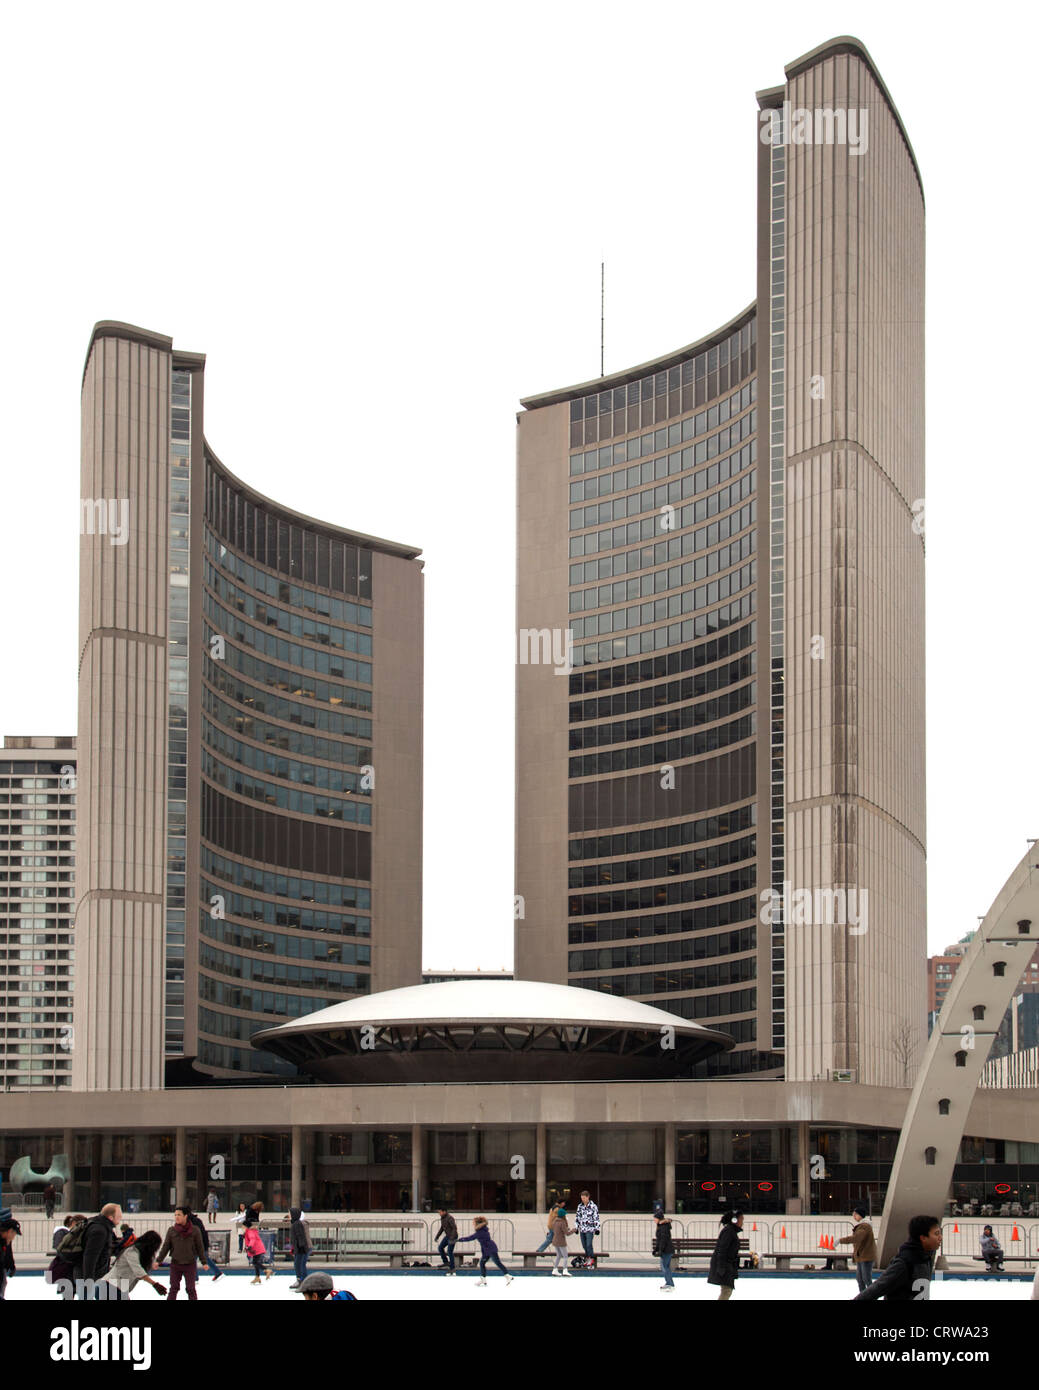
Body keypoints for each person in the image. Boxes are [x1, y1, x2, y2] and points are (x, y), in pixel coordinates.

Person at [854, 1215, 942, 1301]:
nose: (940, 1238)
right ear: (923, 1238)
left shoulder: (926, 1257)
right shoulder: (904, 1263)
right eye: (936, 1234)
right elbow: (877, 1288)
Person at [157, 1206, 206, 1301]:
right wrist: (158, 1260)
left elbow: (200, 1247)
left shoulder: (195, 1230)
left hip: (190, 1264)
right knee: (174, 1288)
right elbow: (166, 1246)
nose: (176, 1217)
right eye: (175, 1215)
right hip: (175, 1264)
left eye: (179, 1214)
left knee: (191, 1289)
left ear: (185, 1216)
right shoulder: (172, 1230)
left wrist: (204, 1262)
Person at [103, 1230, 166, 1300]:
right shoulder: (132, 1251)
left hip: (117, 1288)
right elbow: (138, 1271)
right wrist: (155, 1284)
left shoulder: (140, 1255)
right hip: (108, 1286)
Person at [76, 1203, 122, 1300]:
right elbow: (89, 1257)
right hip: (91, 1276)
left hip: (95, 1275)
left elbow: (107, 1248)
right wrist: (88, 1282)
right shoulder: (99, 1230)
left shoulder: (100, 1225)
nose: (121, 1217)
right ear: (110, 1217)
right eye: (119, 1215)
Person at [453, 1217, 513, 1286]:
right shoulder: (482, 1230)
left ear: (478, 1223)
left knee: (497, 1263)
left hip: (490, 1249)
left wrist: (458, 1240)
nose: (473, 1224)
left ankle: (508, 1276)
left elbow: (470, 1238)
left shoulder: (480, 1232)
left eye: (474, 1223)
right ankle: (483, 1280)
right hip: (486, 1250)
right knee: (482, 1263)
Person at [837, 1208, 878, 1291]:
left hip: (866, 1256)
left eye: (855, 1214)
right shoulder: (862, 1226)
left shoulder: (865, 1226)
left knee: (866, 1279)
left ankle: (871, 1295)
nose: (853, 1216)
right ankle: (863, 1296)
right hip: (861, 1256)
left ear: (860, 1215)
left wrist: (840, 1240)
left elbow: (856, 1238)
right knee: (860, 1279)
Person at [708, 1209, 743, 1300]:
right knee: (727, 1290)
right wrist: (721, 1267)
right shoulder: (729, 1231)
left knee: (727, 1290)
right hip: (724, 1265)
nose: (742, 1222)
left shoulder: (731, 1231)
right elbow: (722, 1250)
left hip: (727, 1265)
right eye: (741, 1219)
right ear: (734, 1220)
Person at [49, 1215, 87, 1299]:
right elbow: (61, 1250)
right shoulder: (62, 1232)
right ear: (74, 1223)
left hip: (72, 1269)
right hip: (66, 1270)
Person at [185, 1206, 223, 1281]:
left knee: (194, 1260)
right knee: (204, 1259)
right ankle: (217, 1272)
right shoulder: (196, 1220)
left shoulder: (191, 1222)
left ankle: (195, 1278)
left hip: (198, 1244)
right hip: (201, 1243)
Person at [288, 1206, 313, 1289]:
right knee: (298, 1264)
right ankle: (301, 1280)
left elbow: (300, 1236)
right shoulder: (295, 1223)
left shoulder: (297, 1224)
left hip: (302, 1248)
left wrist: (301, 1248)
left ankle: (303, 1281)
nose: (289, 1215)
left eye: (290, 1213)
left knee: (300, 1264)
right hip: (300, 1248)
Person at [574, 1190, 601, 1268]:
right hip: (582, 1229)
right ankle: (588, 1258)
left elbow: (596, 1217)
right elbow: (578, 1217)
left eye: (584, 1198)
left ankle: (591, 1258)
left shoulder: (593, 1206)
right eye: (582, 1198)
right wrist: (576, 1227)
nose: (583, 1199)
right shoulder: (580, 1206)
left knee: (589, 1244)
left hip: (590, 1229)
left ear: (588, 1197)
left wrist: (597, 1228)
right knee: (584, 1245)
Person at [653, 1211, 675, 1291]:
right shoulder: (661, 1226)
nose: (654, 1220)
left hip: (667, 1250)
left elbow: (663, 1240)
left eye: (655, 1218)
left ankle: (669, 1284)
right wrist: (656, 1249)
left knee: (664, 1266)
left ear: (659, 1219)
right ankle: (669, 1283)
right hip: (666, 1250)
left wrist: (660, 1250)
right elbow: (659, 1240)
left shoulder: (663, 1227)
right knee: (665, 1266)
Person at [549, 1206, 574, 1277]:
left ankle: (555, 1269)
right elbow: (567, 1233)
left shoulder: (555, 1221)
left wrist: (566, 1228)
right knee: (565, 1256)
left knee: (559, 1255)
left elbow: (558, 1230)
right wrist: (573, 1230)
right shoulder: (562, 1222)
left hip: (555, 1241)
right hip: (561, 1241)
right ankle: (565, 1270)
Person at [0, 1217, 20, 1300]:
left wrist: (11, 1266)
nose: (14, 1237)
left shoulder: (5, 1241)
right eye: (14, 1234)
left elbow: (8, 1253)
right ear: (10, 1231)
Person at [434, 1207, 458, 1275]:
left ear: (444, 1212)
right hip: (448, 1236)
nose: (439, 1214)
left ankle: (452, 1268)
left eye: (440, 1212)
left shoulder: (450, 1218)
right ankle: (446, 1262)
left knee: (449, 1251)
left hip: (453, 1236)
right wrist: (437, 1236)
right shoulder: (443, 1218)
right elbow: (442, 1228)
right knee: (440, 1247)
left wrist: (452, 1238)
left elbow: (454, 1228)